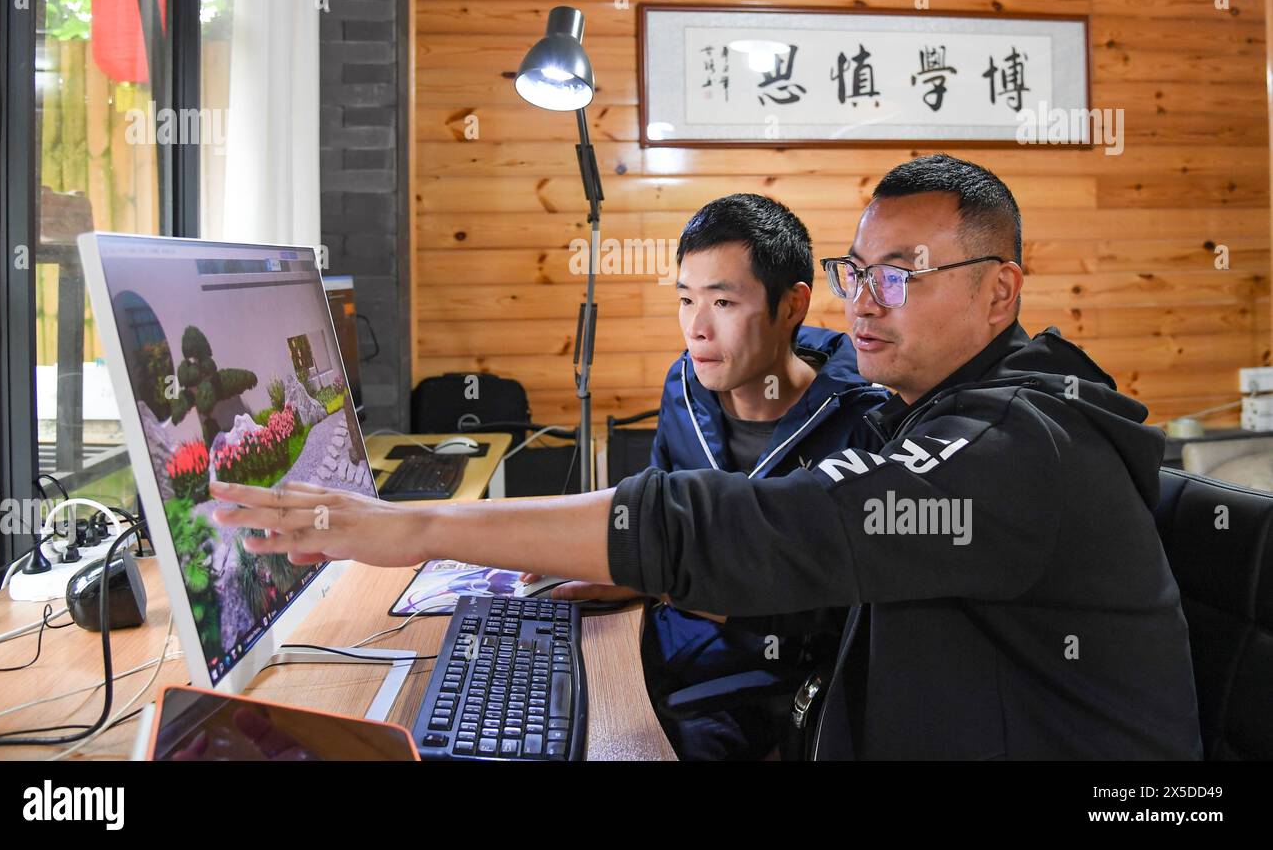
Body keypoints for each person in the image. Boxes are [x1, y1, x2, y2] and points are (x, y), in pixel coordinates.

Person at [211, 154, 1202, 760]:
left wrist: (406, 525)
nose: (865, 299)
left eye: (902, 274)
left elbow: (770, 527)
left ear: (999, 293)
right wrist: (614, 572)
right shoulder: (932, 415)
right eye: (859, 270)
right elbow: (822, 584)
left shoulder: (1011, 448)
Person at [529, 193, 887, 760]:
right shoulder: (684, 385)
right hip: (663, 658)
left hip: (769, 695)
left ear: (792, 305)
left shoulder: (866, 417)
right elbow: (664, 516)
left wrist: (674, 579)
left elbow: (851, 610)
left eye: (722, 302)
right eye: (685, 299)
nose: (696, 328)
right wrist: (630, 566)